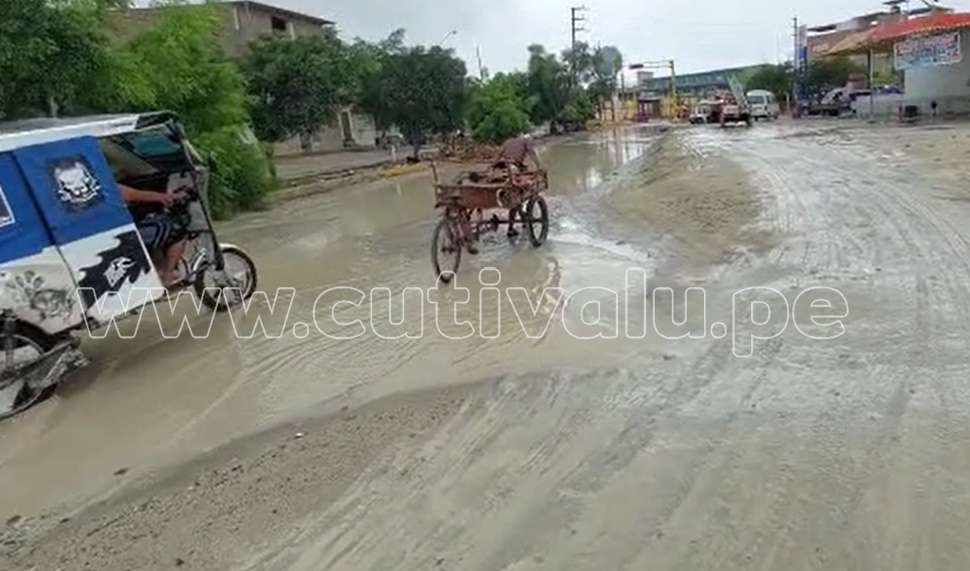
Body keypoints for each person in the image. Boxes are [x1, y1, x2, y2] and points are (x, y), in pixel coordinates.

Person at [118, 184, 190, 289]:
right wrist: (164, 197)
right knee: (177, 230)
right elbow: (131, 194)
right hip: (120, 233)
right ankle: (167, 277)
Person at [492, 132, 543, 238]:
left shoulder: (508, 141)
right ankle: (512, 227)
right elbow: (532, 153)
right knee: (517, 197)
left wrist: (491, 168)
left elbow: (498, 155)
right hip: (513, 169)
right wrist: (539, 165)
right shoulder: (526, 141)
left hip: (501, 168)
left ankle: (521, 218)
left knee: (516, 198)